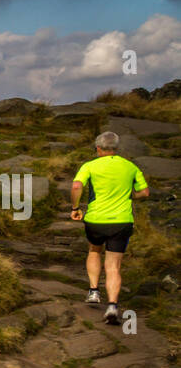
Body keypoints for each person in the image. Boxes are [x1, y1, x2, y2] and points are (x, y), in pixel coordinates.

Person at [70, 130, 149, 325]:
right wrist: (131, 196)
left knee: (94, 250)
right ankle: (112, 305)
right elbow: (145, 192)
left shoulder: (89, 165)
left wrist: (75, 208)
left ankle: (94, 291)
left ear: (98, 148)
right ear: (116, 148)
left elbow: (76, 186)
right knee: (114, 265)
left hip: (96, 220)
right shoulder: (130, 167)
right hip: (122, 221)